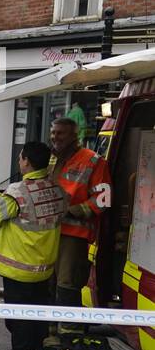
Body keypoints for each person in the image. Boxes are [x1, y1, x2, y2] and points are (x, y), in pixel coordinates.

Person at [0, 141, 68, 350]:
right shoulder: (57, 189)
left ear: (26, 161)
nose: (19, 161)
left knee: (18, 320)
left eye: (20, 158)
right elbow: (30, 208)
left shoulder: (18, 190)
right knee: (37, 317)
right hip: (45, 269)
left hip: (19, 269)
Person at [48, 116, 111, 337]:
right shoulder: (51, 159)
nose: (55, 137)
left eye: (60, 133)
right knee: (48, 284)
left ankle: (69, 338)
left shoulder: (93, 160)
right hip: (47, 233)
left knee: (67, 285)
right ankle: (49, 337)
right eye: (53, 132)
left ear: (74, 136)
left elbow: (103, 199)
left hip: (74, 235)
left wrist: (72, 211)